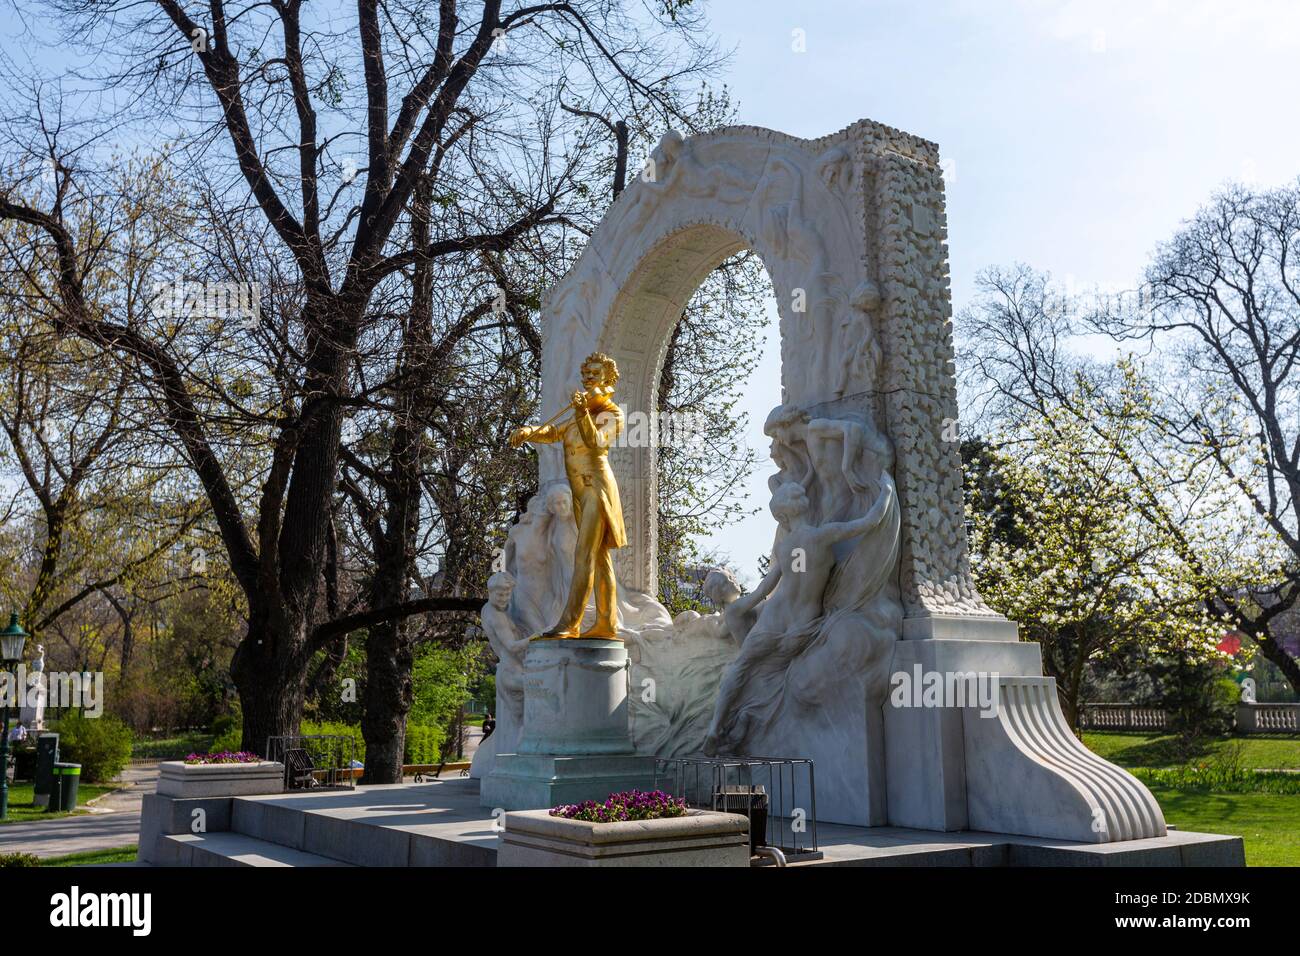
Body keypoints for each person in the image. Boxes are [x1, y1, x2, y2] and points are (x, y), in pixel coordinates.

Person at [509, 352, 627, 639]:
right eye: (586, 374)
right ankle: (606, 623)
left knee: (583, 554)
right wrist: (530, 431)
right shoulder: (580, 412)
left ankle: (569, 623)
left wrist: (582, 413)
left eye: (595, 375)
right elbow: (552, 432)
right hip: (579, 493)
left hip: (597, 489)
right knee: (599, 558)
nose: (588, 379)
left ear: (608, 379)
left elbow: (597, 443)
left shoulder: (611, 413)